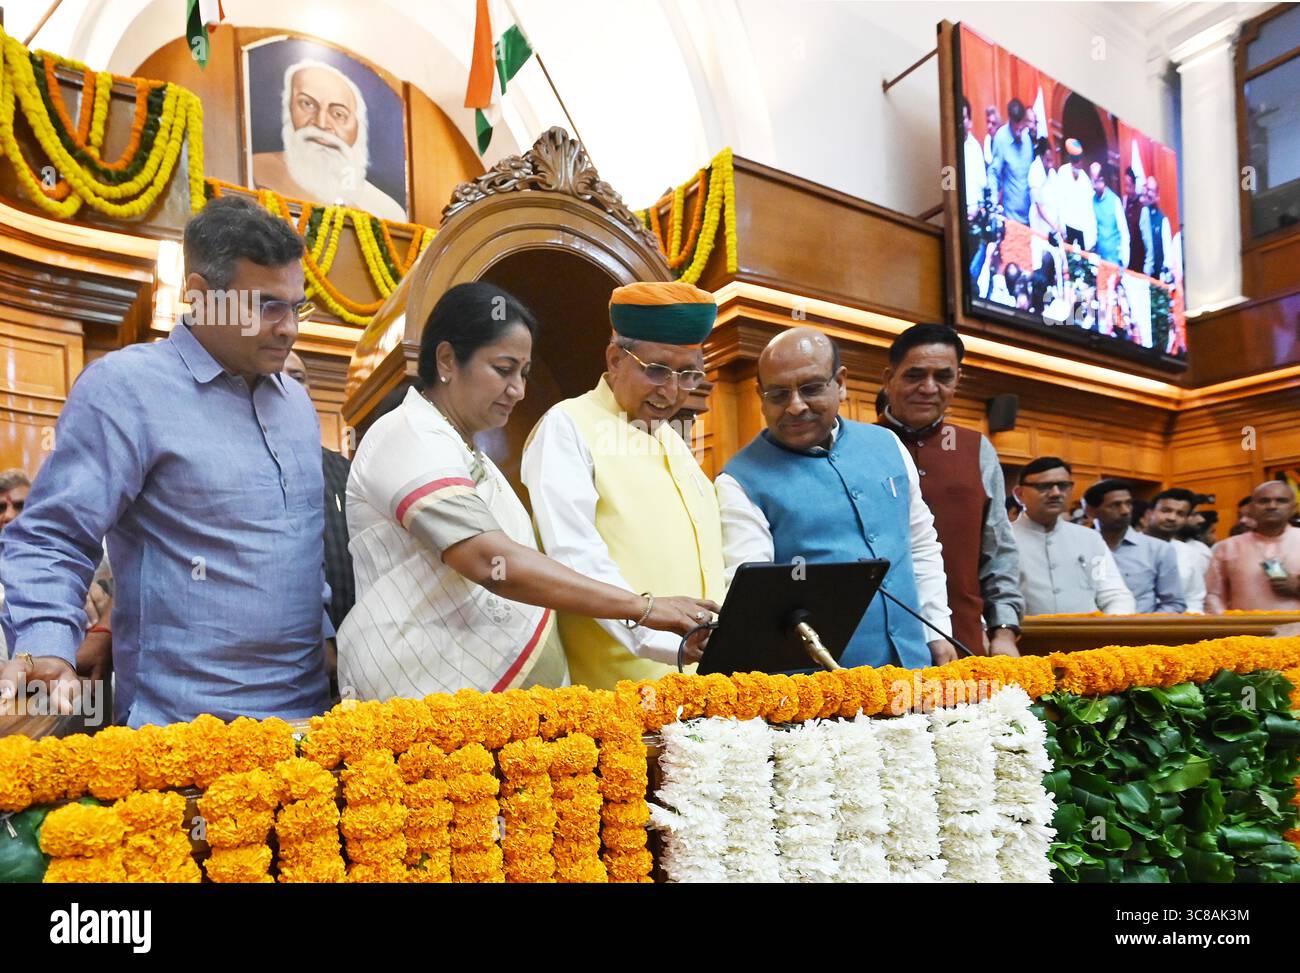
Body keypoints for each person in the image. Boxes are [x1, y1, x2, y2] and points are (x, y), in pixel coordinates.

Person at [0, 195, 334, 726]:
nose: (290, 328)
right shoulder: (125, 389)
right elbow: (54, 536)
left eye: (297, 306)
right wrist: (46, 644)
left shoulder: (295, 403)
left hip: (312, 720)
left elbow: (304, 553)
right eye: (267, 306)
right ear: (201, 296)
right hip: (183, 730)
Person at [339, 283, 715, 700]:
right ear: (447, 359)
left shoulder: (467, 452)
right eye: (503, 369)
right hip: (424, 703)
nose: (518, 389)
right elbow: (490, 561)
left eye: (524, 373)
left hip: (494, 712)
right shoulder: (408, 434)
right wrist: (645, 610)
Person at [522, 282, 725, 690]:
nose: (671, 391)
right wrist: (664, 640)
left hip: (704, 687)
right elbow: (573, 555)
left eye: (688, 375)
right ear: (615, 359)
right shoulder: (568, 426)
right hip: (616, 697)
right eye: (656, 370)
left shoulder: (678, 443)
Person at [717, 327, 956, 670]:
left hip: (915, 664)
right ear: (760, 395)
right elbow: (756, 600)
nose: (796, 406)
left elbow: (920, 545)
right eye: (778, 394)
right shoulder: (739, 480)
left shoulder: (887, 445)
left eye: (811, 388)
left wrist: (937, 629)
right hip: (823, 691)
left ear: (840, 382)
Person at [877, 324, 1023, 656]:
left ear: (958, 380)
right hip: (879, 648)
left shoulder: (976, 448)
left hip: (964, 639)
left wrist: (1003, 630)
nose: (928, 388)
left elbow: (998, 550)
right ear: (888, 379)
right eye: (914, 375)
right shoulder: (859, 446)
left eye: (943, 377)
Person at [251, 60, 404, 221]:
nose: (321, 124)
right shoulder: (256, 171)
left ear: (359, 128)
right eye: (307, 104)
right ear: (289, 109)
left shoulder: (386, 210)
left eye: (338, 114)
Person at [283, 351, 355, 636]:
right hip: (281, 652)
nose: (287, 384)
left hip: (354, 646)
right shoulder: (241, 461)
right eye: (276, 373)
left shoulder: (346, 470)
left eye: (297, 377)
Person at [1011, 457, 1136, 615]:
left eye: (1063, 486)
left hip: (1087, 636)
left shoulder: (1089, 538)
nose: (1056, 493)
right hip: (1019, 637)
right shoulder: (1002, 538)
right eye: (1044, 486)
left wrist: (1111, 631)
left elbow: (1114, 594)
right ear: (1019, 494)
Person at [1083, 479, 1185, 613]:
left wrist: (1145, 627)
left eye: (1128, 503)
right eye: (1115, 505)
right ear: (1090, 511)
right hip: (1087, 628)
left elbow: (1174, 603)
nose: (1125, 511)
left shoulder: (1158, 549)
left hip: (1141, 628)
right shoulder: (1081, 547)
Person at [1205, 481, 1300, 613]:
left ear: (1294, 508)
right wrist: (1227, 627)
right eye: (1264, 501)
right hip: (1244, 630)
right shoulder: (1227, 547)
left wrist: (1297, 587)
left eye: (1281, 501)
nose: (1272, 506)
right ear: (1251, 509)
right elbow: (1214, 596)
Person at [1145, 488, 1207, 612]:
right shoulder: (1128, 547)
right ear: (1149, 513)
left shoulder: (1190, 553)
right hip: (1130, 623)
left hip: (1177, 624)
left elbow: (1194, 598)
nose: (1172, 518)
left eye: (1180, 514)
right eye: (1166, 511)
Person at [987, 98, 1034, 224]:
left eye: (1021, 127)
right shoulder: (1001, 138)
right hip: (1011, 218)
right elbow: (993, 173)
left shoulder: (1027, 139)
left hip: (1030, 217)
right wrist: (993, 201)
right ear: (1010, 121)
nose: (1020, 133)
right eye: (1016, 129)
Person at [1056, 139, 1096, 249]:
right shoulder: (1062, 173)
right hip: (1066, 229)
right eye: (1074, 160)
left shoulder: (1085, 180)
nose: (1077, 164)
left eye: (1079, 160)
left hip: (1081, 232)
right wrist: (1062, 229)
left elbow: (1088, 210)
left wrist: (1091, 238)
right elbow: (1059, 203)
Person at [1090, 162, 1129, 268]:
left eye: (1095, 181)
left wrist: (1124, 261)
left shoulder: (1114, 201)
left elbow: (1124, 232)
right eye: (1092, 180)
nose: (1093, 185)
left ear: (1102, 180)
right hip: (1100, 261)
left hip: (1115, 261)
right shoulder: (1092, 200)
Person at [1140, 176, 1174, 281]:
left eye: (1151, 190)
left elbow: (1167, 253)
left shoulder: (1162, 220)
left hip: (1157, 275)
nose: (1148, 193)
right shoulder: (1141, 213)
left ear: (1157, 195)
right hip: (1141, 272)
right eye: (1147, 189)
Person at [1028, 137, 1061, 240]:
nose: (1051, 164)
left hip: (1054, 225)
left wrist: (1058, 225)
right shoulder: (1034, 171)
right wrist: (1053, 225)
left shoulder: (1052, 173)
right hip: (1040, 225)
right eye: (1048, 160)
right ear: (1042, 157)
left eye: (1052, 160)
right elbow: (1038, 206)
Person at [960, 97, 987, 219]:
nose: (960, 123)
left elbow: (982, 182)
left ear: (969, 121)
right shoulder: (948, 150)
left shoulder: (975, 147)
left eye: (963, 118)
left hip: (976, 216)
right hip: (958, 218)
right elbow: (947, 186)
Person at [1123, 167, 1147, 274]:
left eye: (1129, 185)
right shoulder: (1124, 201)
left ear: (1134, 184)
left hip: (1139, 254)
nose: (1127, 189)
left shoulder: (1142, 205)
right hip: (1128, 252)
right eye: (1125, 185)